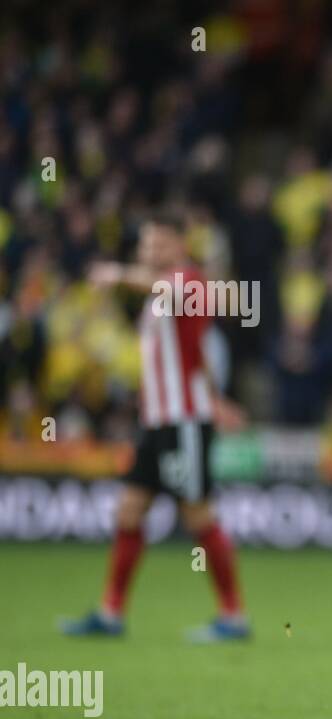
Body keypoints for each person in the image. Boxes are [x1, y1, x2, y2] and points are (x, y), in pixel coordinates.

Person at [60, 212, 251, 643]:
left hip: (183, 421)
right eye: (145, 246)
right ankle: (111, 614)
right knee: (129, 511)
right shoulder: (159, 295)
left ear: (178, 245)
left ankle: (233, 615)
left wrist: (115, 274)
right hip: (157, 422)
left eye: (157, 245)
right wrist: (218, 399)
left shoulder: (189, 280)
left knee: (198, 514)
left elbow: (168, 288)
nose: (149, 253)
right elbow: (193, 354)